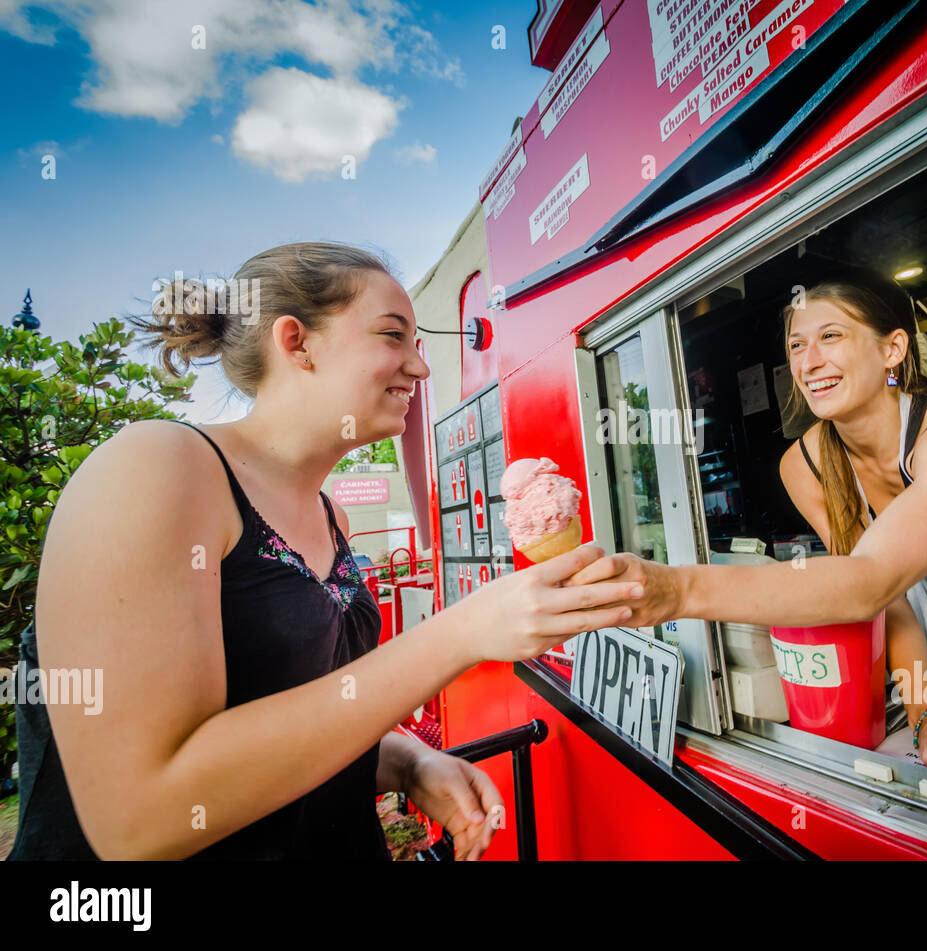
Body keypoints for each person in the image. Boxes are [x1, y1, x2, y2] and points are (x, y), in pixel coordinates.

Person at [9, 242, 641, 861]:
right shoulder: (156, 467)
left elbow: (301, 711)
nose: (418, 368)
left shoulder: (331, 516)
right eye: (392, 337)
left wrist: (407, 762)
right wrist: (463, 632)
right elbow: (140, 822)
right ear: (296, 342)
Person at [567, 275, 927, 778]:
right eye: (797, 346)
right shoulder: (805, 464)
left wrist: (677, 588)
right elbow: (883, 600)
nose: (810, 361)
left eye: (831, 336)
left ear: (892, 349)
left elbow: (869, 579)